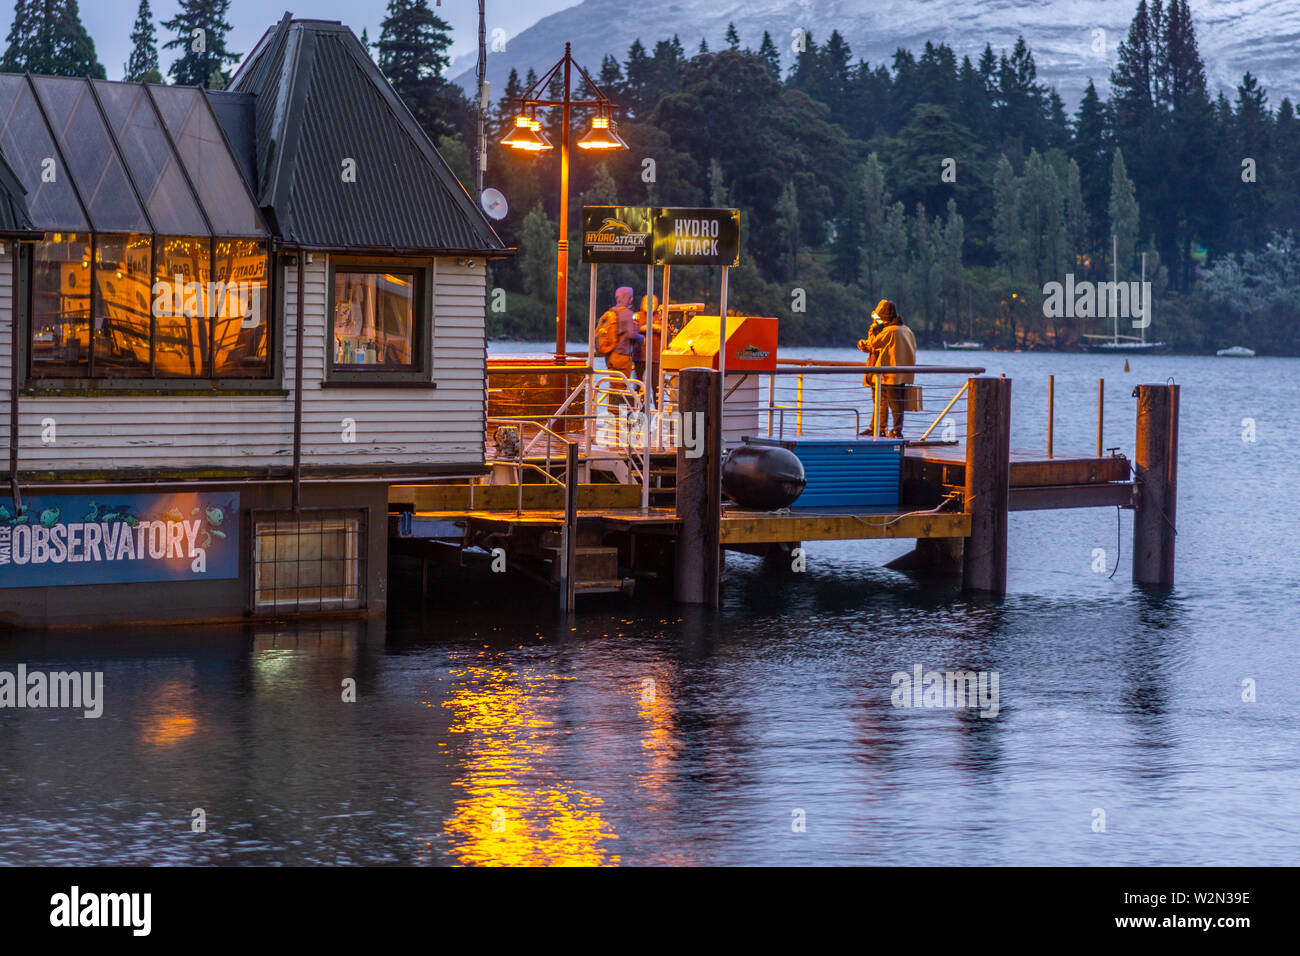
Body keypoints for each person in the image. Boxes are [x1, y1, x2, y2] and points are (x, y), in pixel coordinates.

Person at [856, 298, 916, 438]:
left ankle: (894, 431)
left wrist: (872, 329)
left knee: (892, 403)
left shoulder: (890, 331)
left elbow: (872, 344)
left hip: (889, 373)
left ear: (884, 317)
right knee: (894, 403)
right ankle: (888, 429)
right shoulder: (906, 330)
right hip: (903, 372)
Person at [634, 294, 667, 405]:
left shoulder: (661, 317)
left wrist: (656, 328)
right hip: (640, 356)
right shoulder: (637, 316)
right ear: (642, 304)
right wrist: (642, 328)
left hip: (655, 358)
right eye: (647, 302)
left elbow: (667, 332)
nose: (650, 305)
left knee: (656, 385)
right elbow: (631, 331)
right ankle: (636, 408)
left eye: (652, 303)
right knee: (637, 383)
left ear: (657, 305)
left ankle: (658, 410)